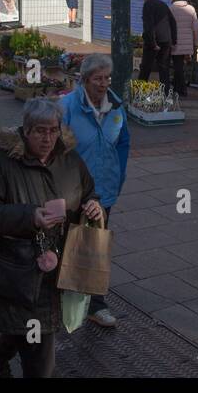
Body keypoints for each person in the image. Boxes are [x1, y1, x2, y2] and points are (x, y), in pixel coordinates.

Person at [0, 98, 102, 378]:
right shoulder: (1, 163)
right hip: (19, 270)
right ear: (25, 130)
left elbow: (89, 191)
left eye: (53, 130)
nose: (48, 138)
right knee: (41, 360)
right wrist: (29, 217)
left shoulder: (70, 158)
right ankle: (0, 355)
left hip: (62, 266)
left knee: (24, 330)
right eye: (40, 131)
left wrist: (92, 204)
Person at [59, 54, 128, 329]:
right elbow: (56, 150)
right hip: (72, 189)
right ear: (84, 80)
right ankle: (58, 298)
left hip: (104, 189)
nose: (103, 83)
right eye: (97, 78)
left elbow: (123, 141)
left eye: (107, 78)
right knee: (65, 241)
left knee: (95, 245)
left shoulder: (115, 106)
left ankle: (95, 305)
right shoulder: (67, 107)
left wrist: (119, 176)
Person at [139, 0, 176, 86]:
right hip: (166, 40)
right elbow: (173, 22)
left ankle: (139, 91)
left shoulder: (147, 5)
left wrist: (152, 42)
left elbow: (148, 25)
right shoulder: (163, 4)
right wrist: (173, 41)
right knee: (164, 69)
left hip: (154, 41)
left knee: (145, 68)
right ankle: (166, 93)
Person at [169, 0, 198, 98]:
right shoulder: (191, 9)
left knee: (178, 66)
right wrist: (196, 43)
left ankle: (182, 89)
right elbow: (196, 28)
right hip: (187, 43)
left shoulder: (171, 9)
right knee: (180, 66)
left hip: (175, 42)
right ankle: (178, 88)